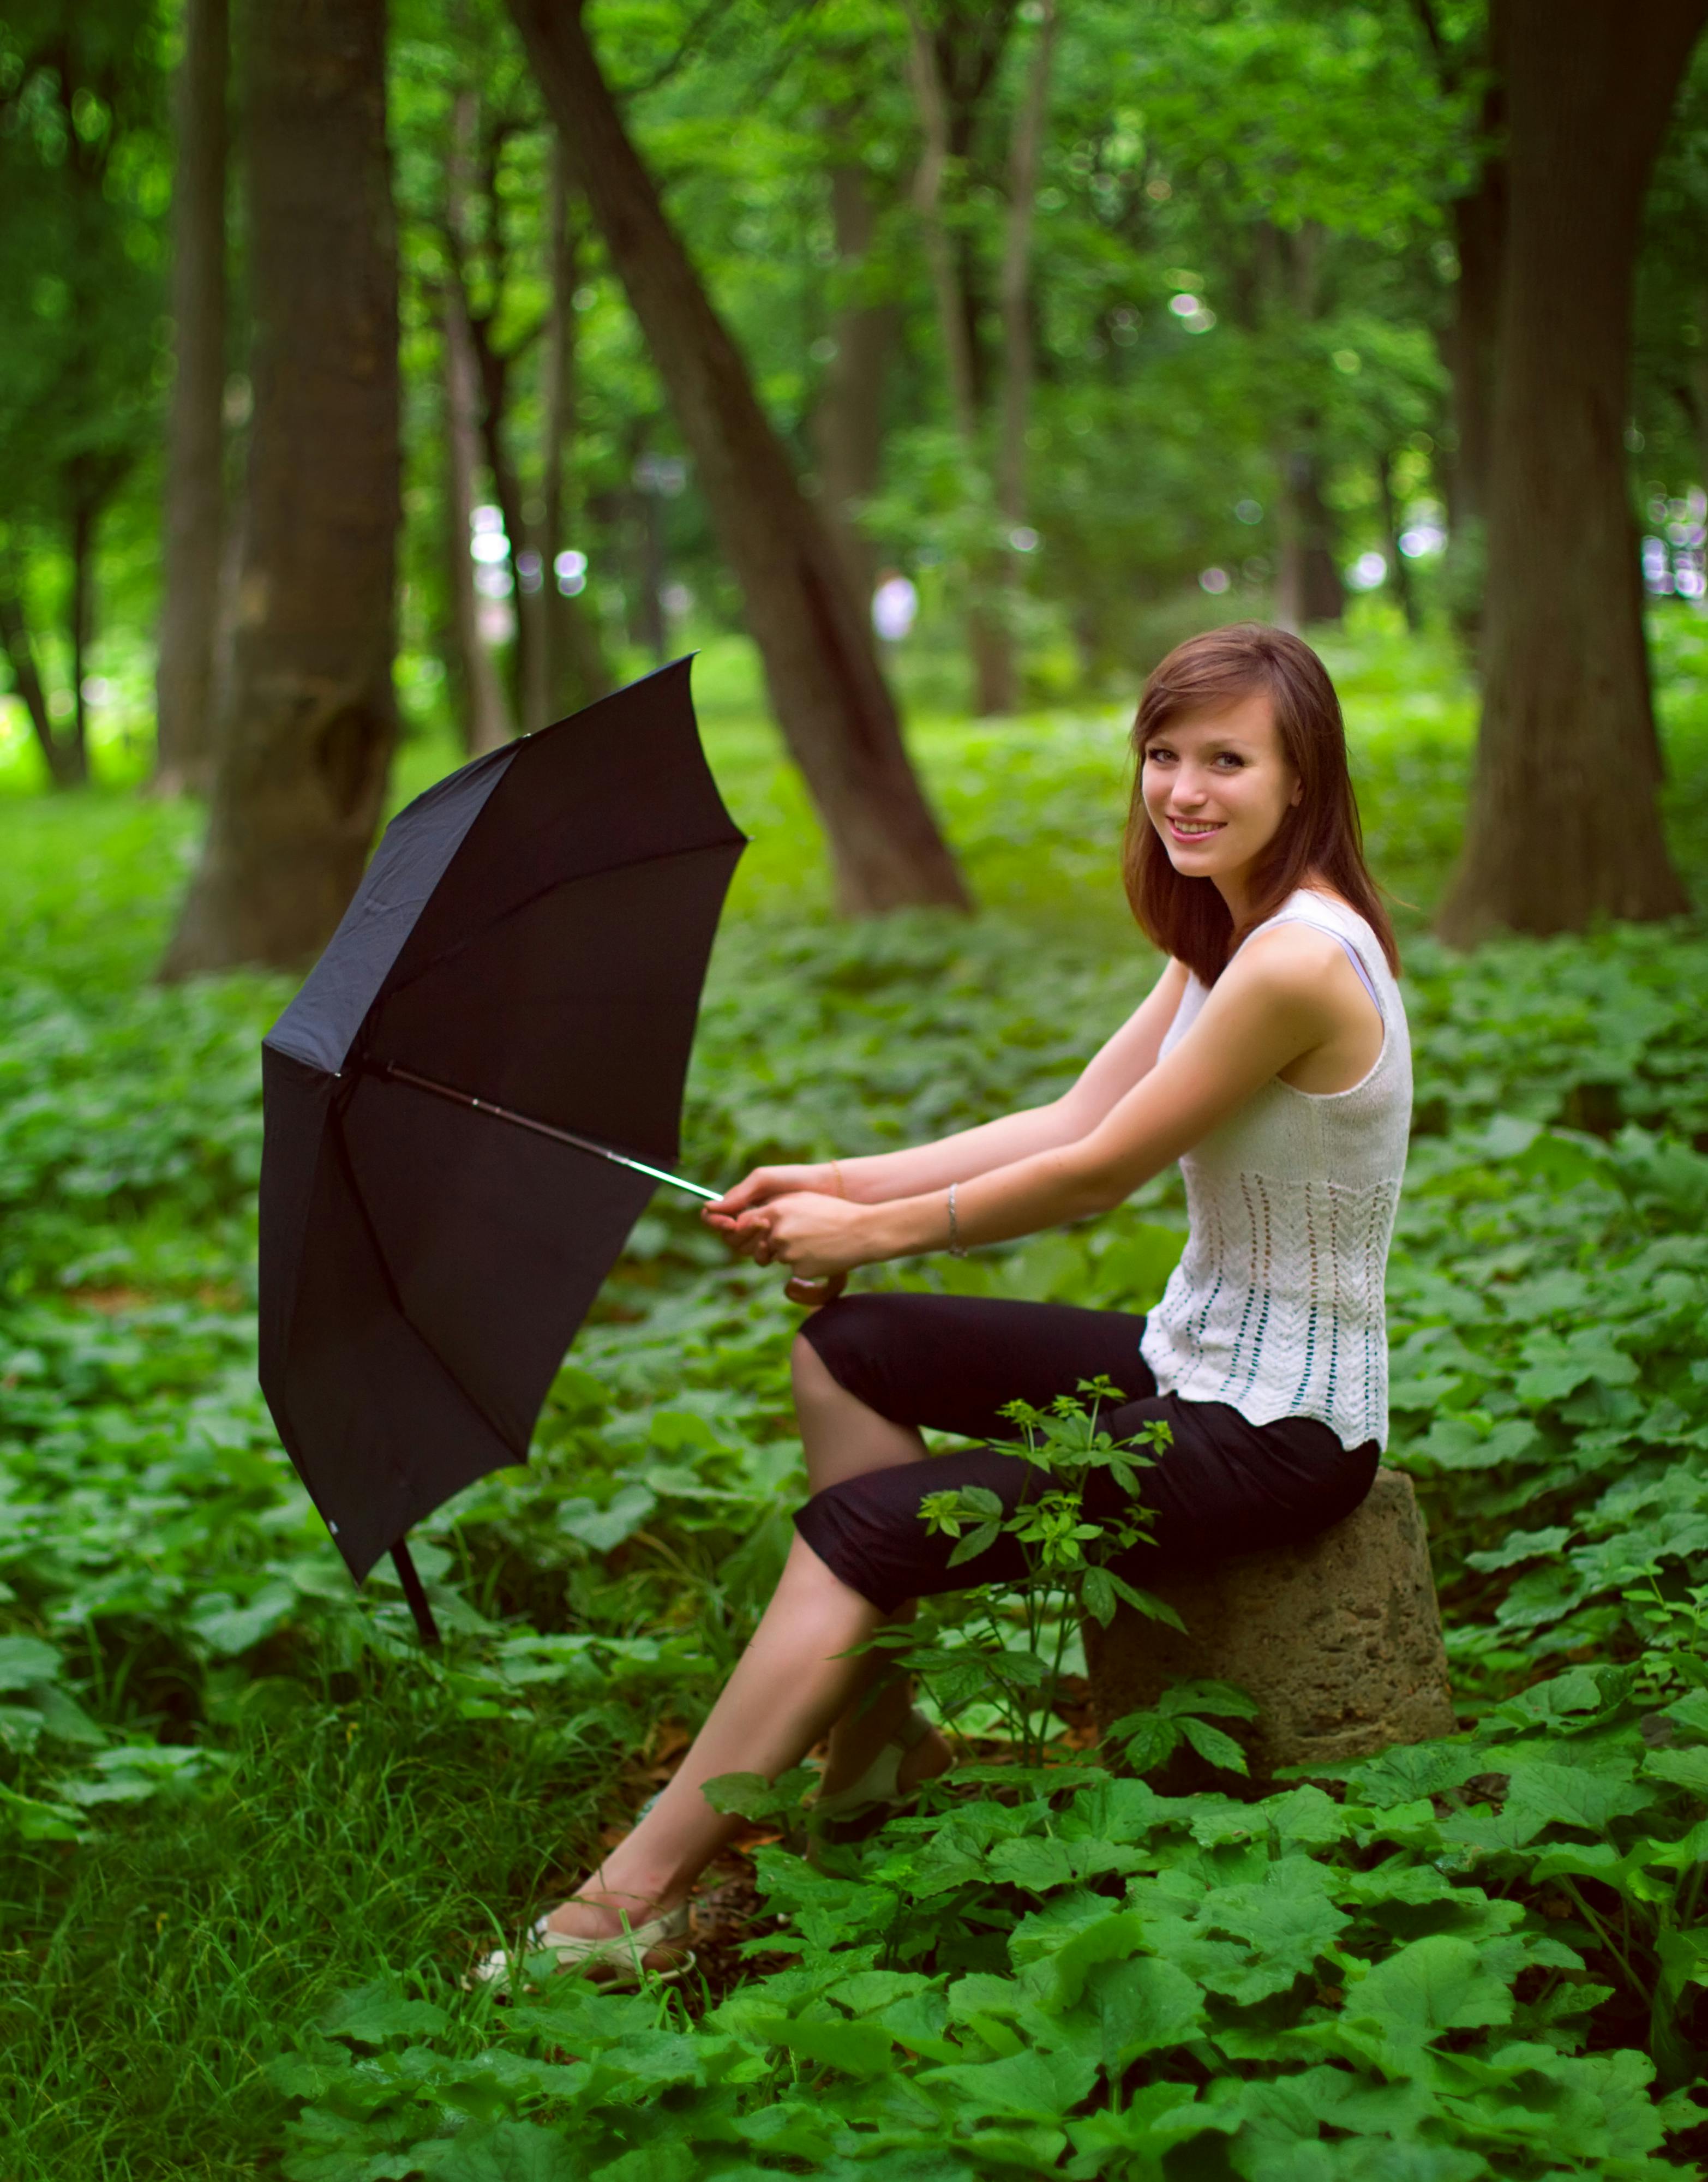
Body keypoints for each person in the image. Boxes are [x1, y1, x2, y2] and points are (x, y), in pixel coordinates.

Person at [475, 621, 1410, 1987]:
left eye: (1228, 759)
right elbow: (1076, 1109)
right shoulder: (1229, 934)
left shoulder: (1297, 961)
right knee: (849, 1347)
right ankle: (884, 1742)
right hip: (1186, 1363)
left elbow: (1099, 1171)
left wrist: (872, 1226)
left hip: (1286, 1431)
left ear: (1301, 775)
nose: (1185, 789)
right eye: (1163, 753)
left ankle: (631, 1902)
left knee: (864, 1527)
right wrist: (835, 1179)